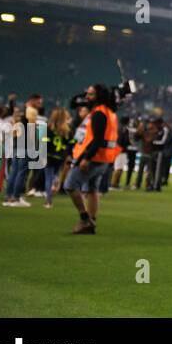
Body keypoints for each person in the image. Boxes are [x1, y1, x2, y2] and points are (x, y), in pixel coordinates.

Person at [64, 84, 122, 234]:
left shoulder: (98, 114)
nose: (87, 97)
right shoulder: (109, 112)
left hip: (93, 157)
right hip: (104, 158)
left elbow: (97, 139)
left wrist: (86, 158)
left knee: (70, 185)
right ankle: (92, 221)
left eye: (91, 94)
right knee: (92, 190)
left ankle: (85, 219)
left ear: (99, 97)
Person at [43, 107, 73, 208]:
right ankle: (56, 181)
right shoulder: (66, 130)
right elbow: (71, 143)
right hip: (60, 156)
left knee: (48, 177)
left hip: (49, 156)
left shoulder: (49, 128)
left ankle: (48, 201)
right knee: (56, 173)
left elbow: (45, 143)